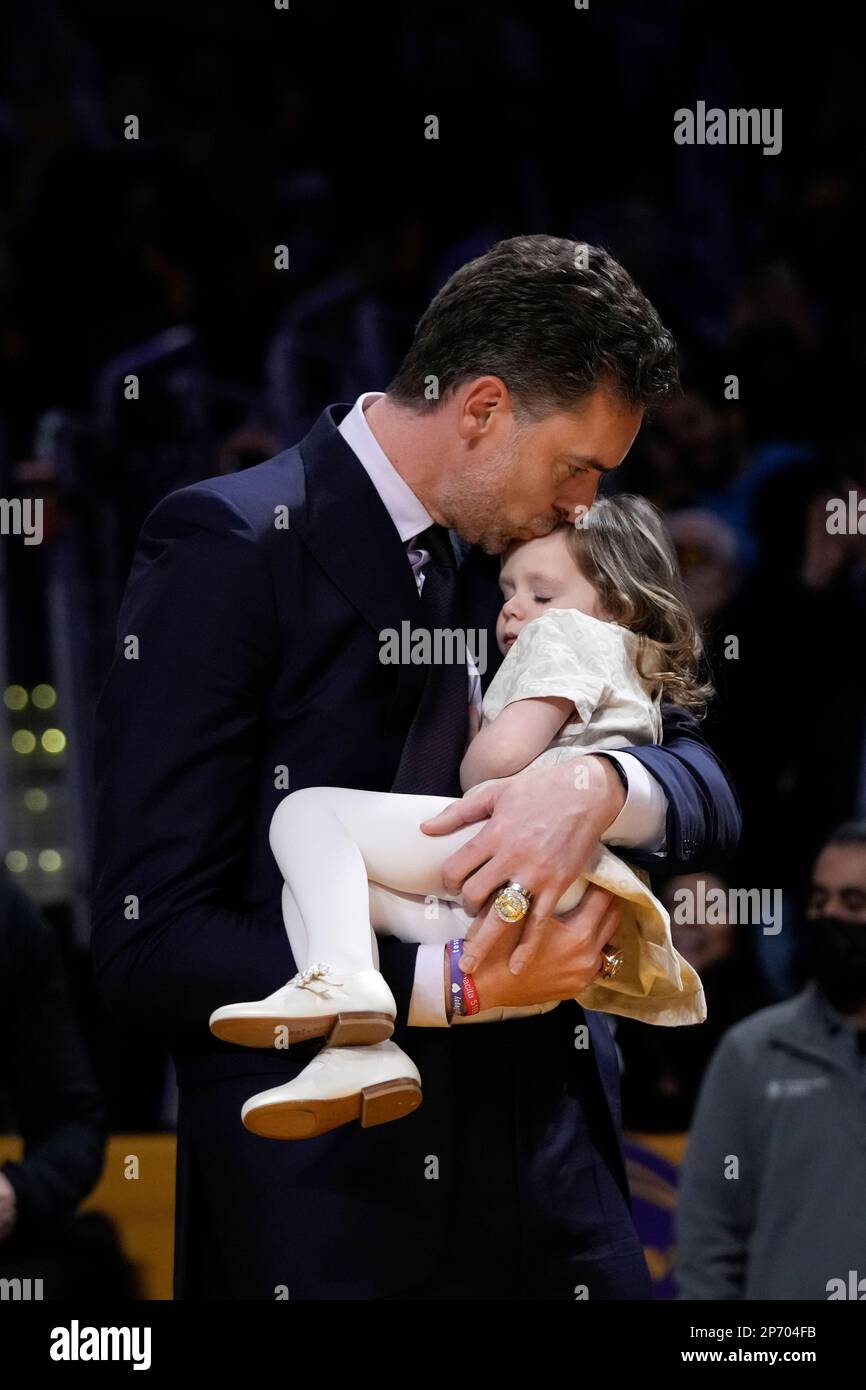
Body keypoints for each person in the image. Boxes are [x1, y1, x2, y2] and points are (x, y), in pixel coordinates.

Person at [91, 234, 740, 1300]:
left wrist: (601, 786)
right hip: (332, 1212)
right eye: (575, 465)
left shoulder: (521, 564)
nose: (585, 503)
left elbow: (704, 782)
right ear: (479, 408)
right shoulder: (230, 542)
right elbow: (145, 935)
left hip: (556, 1185)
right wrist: (449, 988)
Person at [210, 497, 709, 1139]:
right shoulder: (624, 663)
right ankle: (360, 1053)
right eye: (508, 589)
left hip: (516, 845)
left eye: (542, 592)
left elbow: (493, 768)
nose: (513, 608)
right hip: (558, 888)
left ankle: (342, 982)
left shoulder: (571, 637)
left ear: (618, 604)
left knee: (306, 817)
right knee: (332, 892)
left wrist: (474, 733)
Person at [675, 821, 866, 1299]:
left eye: (854, 903)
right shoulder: (753, 1051)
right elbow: (708, 1239)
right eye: (820, 902)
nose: (831, 916)